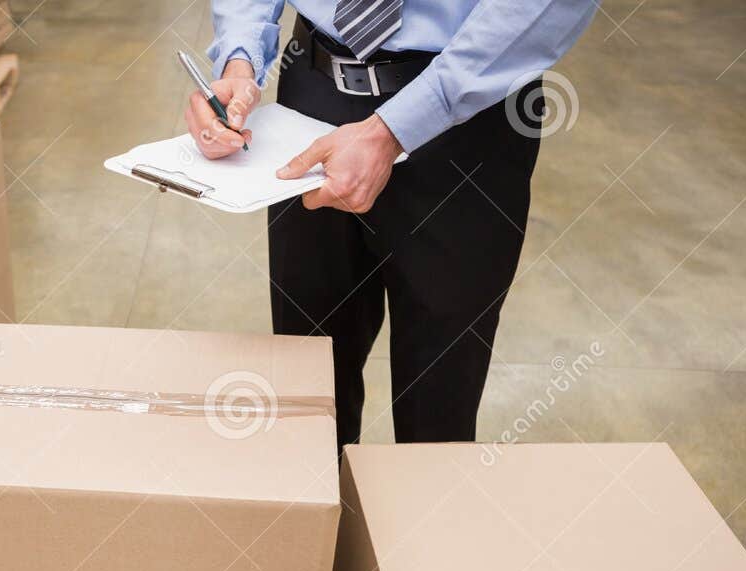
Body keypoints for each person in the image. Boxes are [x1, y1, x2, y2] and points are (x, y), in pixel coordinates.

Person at [191, 1, 599, 445]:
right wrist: (239, 57)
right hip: (312, 91)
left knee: (437, 407)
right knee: (308, 394)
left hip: (470, 115)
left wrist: (394, 128)